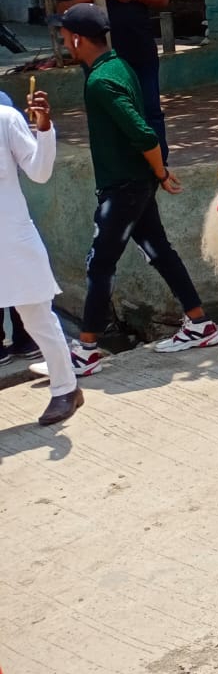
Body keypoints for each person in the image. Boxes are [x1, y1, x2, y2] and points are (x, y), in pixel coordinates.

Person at [42, 5, 218, 378]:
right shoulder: (117, 66)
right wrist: (153, 174)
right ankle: (199, 323)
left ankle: (87, 349)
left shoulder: (101, 82)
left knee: (99, 264)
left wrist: (161, 172)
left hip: (124, 188)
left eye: (64, 36)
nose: (62, 42)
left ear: (76, 38)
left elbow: (142, 133)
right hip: (134, 184)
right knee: (158, 250)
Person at [54, 0, 170, 155]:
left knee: (149, 108)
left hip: (140, 48)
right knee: (109, 110)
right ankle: (120, 158)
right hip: (98, 55)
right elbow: (61, 7)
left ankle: (160, 160)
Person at [1, 87, 81, 424]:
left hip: (10, 239)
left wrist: (44, 129)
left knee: (37, 317)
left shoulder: (5, 119)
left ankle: (66, 389)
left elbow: (39, 171)